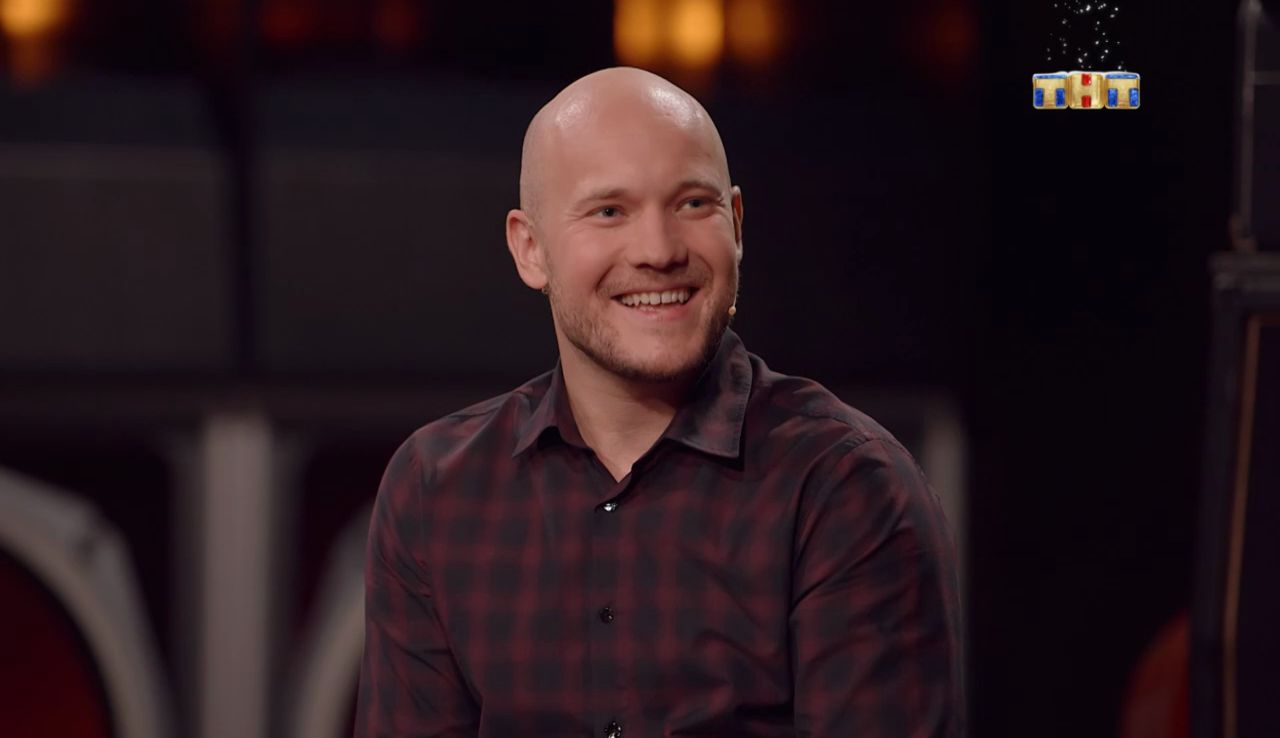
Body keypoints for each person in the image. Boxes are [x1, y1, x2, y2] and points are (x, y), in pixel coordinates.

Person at [354, 67, 963, 737]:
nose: (659, 250)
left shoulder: (846, 487)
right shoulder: (436, 489)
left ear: (736, 224)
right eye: (609, 211)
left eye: (692, 204)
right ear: (531, 249)